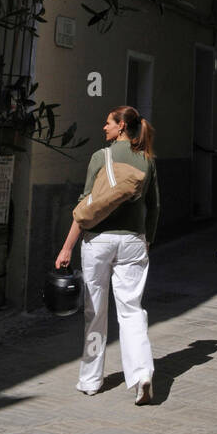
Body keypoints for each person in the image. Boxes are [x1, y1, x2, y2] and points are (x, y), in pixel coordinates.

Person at [55, 106, 160, 404]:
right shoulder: (148, 161)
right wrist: (147, 239)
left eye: (108, 123)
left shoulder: (101, 157)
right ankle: (141, 374)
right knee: (131, 309)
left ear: (121, 127)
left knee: (95, 312)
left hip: (98, 242)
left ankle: (90, 380)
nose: (104, 128)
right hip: (133, 242)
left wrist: (67, 247)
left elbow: (85, 206)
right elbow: (155, 207)